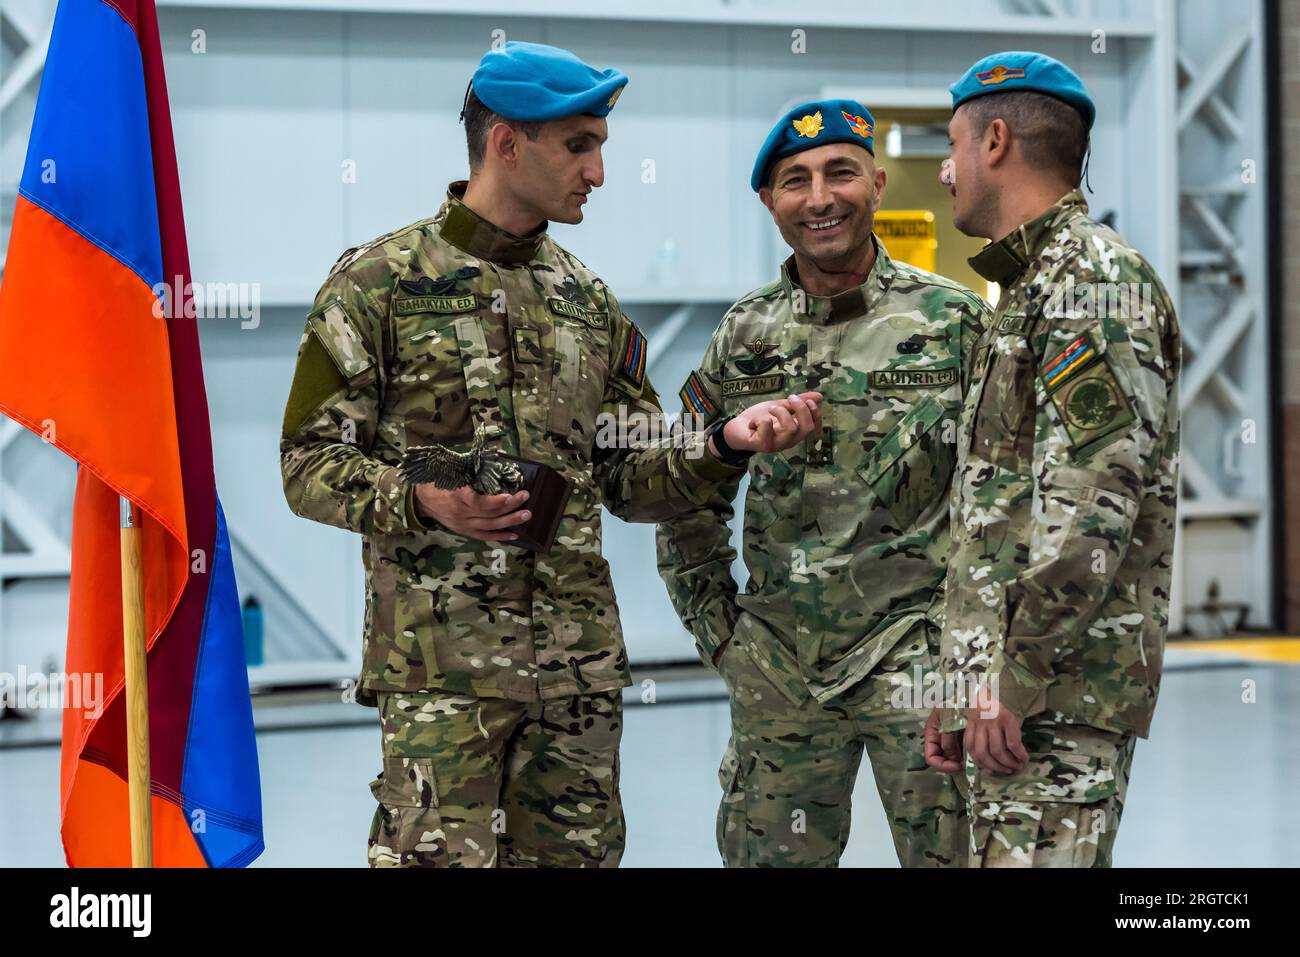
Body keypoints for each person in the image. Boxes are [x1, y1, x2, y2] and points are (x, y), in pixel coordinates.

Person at [279, 40, 821, 867]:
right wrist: (428, 494)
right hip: (442, 678)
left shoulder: (586, 301)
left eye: (600, 145)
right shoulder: (377, 285)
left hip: (577, 679)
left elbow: (632, 475)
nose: (599, 171)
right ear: (506, 143)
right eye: (580, 145)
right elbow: (308, 464)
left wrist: (723, 443)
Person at [656, 99, 990, 867]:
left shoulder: (956, 322)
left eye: (840, 172)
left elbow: (1000, 498)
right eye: (794, 180)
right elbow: (684, 487)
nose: (819, 197)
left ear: (877, 183)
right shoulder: (743, 335)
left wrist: (971, 653)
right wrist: (721, 632)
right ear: (769, 202)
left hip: (919, 660)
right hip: (779, 663)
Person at [924, 51, 1181, 868]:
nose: (943, 169)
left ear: (995, 140)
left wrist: (1014, 675)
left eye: (953, 144)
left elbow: (1091, 512)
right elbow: (996, 517)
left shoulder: (1092, 285)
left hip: (1054, 699)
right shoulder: (1033, 288)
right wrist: (958, 682)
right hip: (1011, 696)